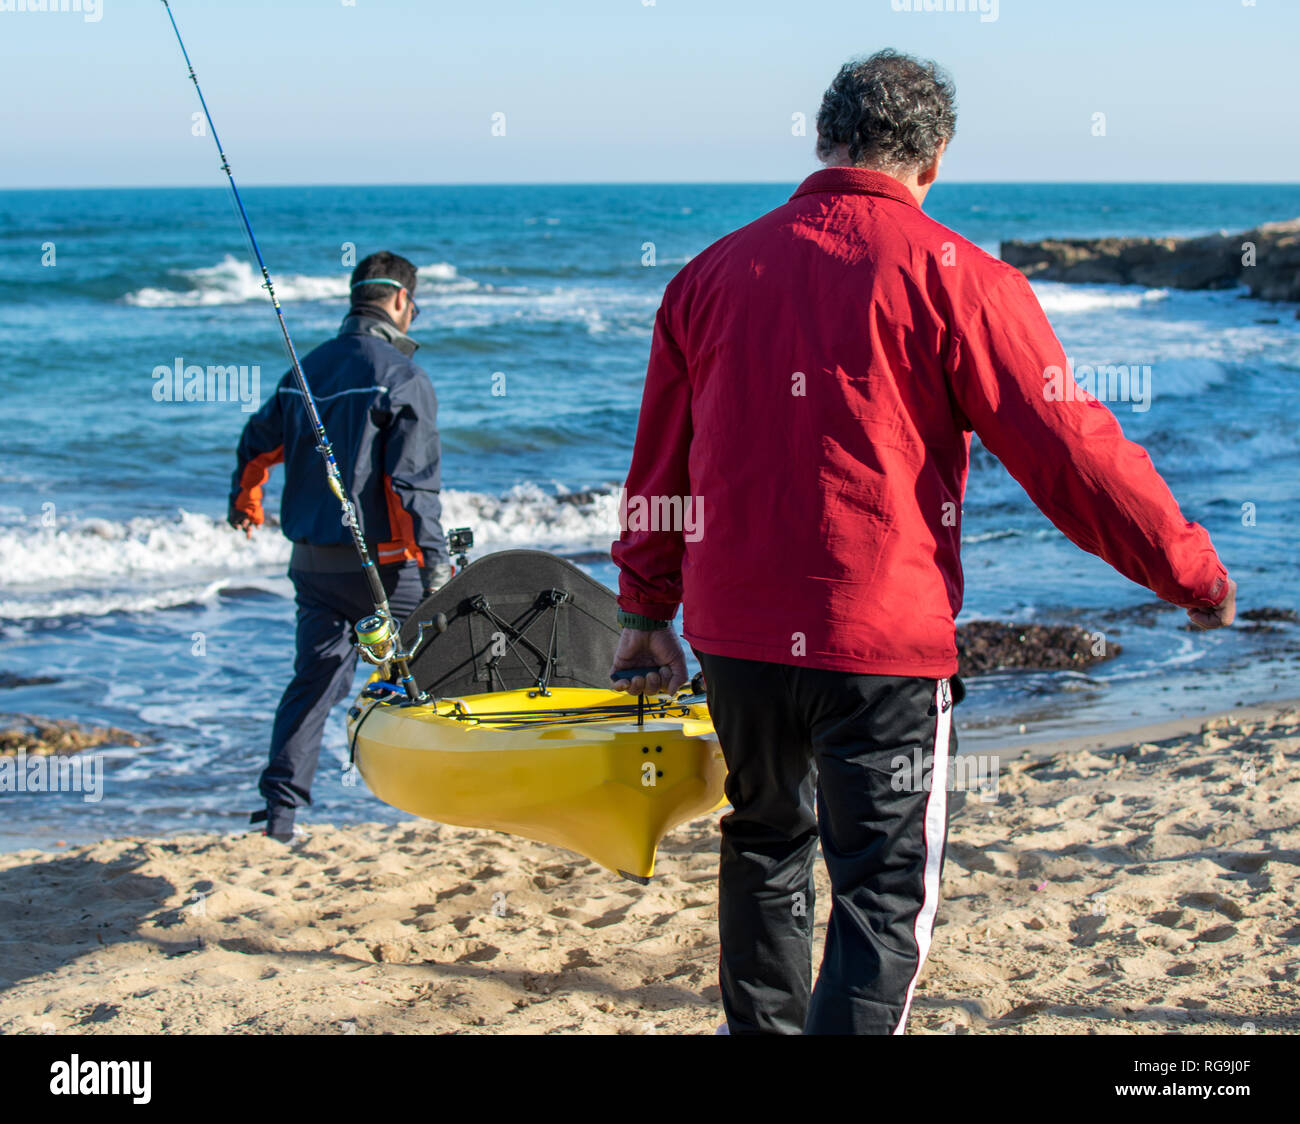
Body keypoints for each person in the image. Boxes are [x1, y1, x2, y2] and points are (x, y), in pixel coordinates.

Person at [609, 50, 1236, 1035]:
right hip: (881, 645)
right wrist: (1183, 566)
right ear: (934, 159)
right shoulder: (963, 280)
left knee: (764, 848)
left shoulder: (707, 276)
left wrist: (644, 611)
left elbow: (659, 473)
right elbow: (1070, 449)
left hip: (735, 639)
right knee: (879, 896)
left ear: (821, 140)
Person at [230, 251, 453, 843]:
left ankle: (279, 816)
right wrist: (436, 565)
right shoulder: (404, 376)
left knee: (317, 678)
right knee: (446, 665)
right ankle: (456, 793)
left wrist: (245, 502)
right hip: (385, 572)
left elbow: (255, 444)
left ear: (357, 297)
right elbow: (414, 485)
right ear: (403, 302)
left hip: (312, 566)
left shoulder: (306, 370)